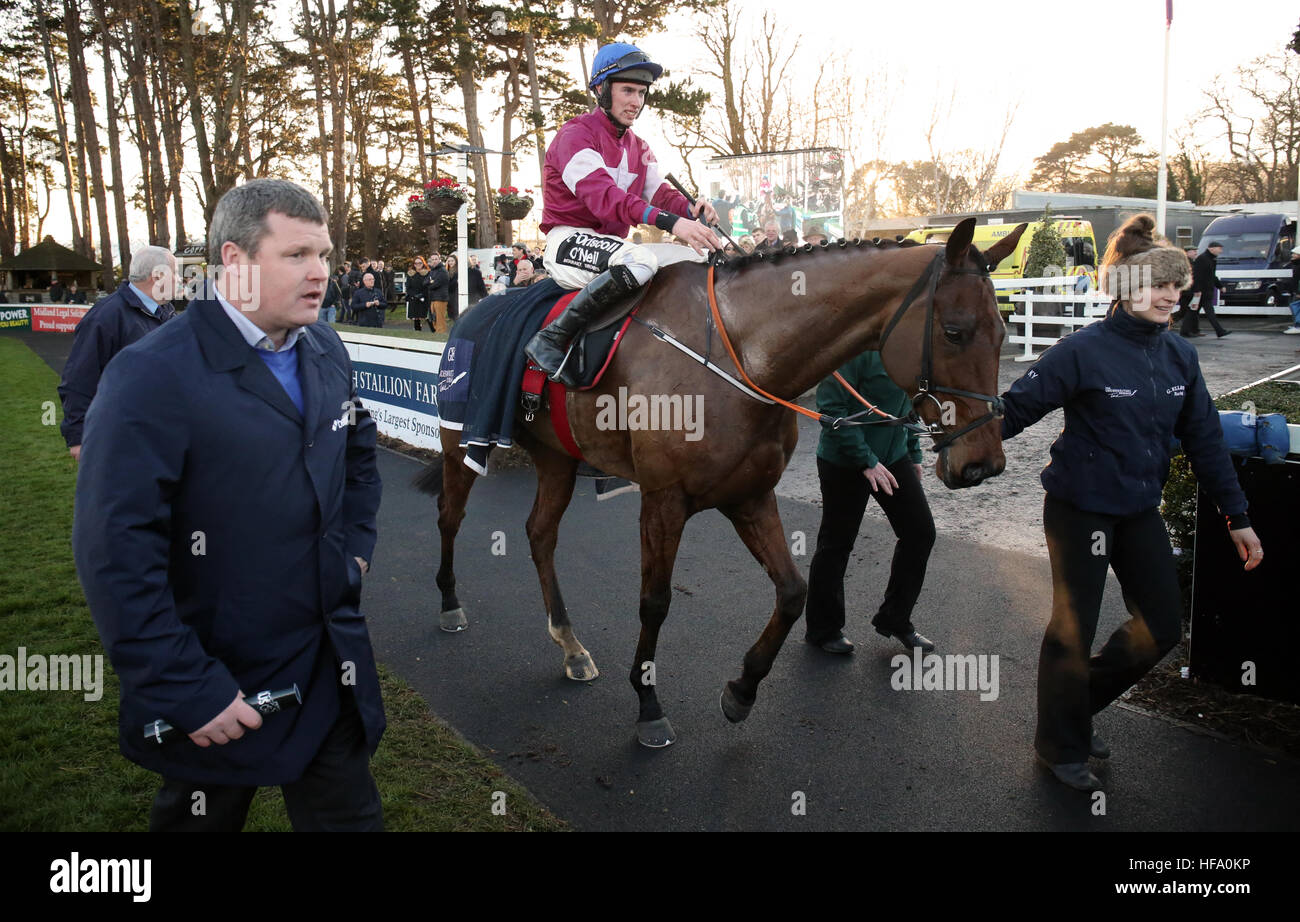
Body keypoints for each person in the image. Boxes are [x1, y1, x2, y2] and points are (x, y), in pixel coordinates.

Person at [72, 178, 385, 831]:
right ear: (236, 262)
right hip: (219, 682)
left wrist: (354, 553)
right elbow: (115, 551)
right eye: (297, 255)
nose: (321, 272)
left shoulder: (326, 349)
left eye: (324, 254)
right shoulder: (151, 374)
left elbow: (358, 459)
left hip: (330, 667)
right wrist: (183, 684)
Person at [1000, 214, 1263, 792]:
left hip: (1139, 508)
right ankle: (1058, 746)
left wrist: (1236, 517)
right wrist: (950, 431)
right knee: (1073, 627)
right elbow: (1013, 411)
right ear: (1122, 287)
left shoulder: (1179, 357)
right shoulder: (1081, 351)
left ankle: (1070, 712)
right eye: (1155, 283)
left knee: (1162, 627)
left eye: (1175, 284)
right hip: (1080, 509)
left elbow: (1206, 441)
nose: (1170, 294)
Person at [522, 41, 720, 386]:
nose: (636, 102)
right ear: (601, 89)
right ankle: (550, 338)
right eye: (628, 90)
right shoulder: (575, 135)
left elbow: (659, 193)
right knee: (640, 261)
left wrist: (690, 208)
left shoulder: (638, 146)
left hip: (613, 246)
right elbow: (606, 199)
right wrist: (675, 223)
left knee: (696, 257)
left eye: (642, 93)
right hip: (567, 241)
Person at [804, 351, 936, 655]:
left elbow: (908, 407)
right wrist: (866, 461)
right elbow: (831, 410)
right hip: (844, 460)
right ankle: (823, 629)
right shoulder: (855, 350)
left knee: (920, 533)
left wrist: (913, 453)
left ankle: (895, 618)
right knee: (837, 543)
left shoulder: (910, 348)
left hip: (893, 455)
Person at [57, 244, 177, 462]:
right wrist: (78, 437)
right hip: (124, 436)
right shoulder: (106, 317)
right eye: (175, 273)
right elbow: (78, 378)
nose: (179, 280)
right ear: (158, 276)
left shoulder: (165, 312)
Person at [1182, 241, 1227, 338]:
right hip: (1201, 292)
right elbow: (1196, 276)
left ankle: (1185, 331)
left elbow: (1212, 275)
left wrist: (1220, 286)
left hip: (1205, 292)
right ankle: (1219, 331)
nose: (1221, 250)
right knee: (1206, 312)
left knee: (1192, 311)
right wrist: (1197, 290)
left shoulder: (1212, 259)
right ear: (1211, 248)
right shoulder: (1202, 259)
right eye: (1219, 248)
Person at [1172, 247, 1198, 323]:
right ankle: (1165, 322)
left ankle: (1191, 330)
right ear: (1187, 253)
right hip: (1186, 291)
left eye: (1195, 251)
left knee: (1188, 311)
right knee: (1184, 311)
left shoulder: (1191, 262)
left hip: (1188, 290)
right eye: (1193, 251)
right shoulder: (1185, 263)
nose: (1195, 253)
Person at [426, 252, 450, 333]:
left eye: (436, 259)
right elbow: (425, 282)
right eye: (432, 259)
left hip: (441, 298)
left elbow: (435, 285)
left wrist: (430, 283)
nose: (434, 261)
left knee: (440, 319)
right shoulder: (432, 271)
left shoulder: (443, 271)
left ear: (440, 260)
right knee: (434, 319)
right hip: (433, 298)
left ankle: (441, 335)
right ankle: (438, 334)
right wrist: (430, 282)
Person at [405, 255, 431, 331]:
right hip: (413, 297)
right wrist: (415, 295)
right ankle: (417, 332)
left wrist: (422, 295)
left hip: (424, 297)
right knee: (416, 317)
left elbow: (428, 286)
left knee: (426, 316)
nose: (418, 265)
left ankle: (434, 332)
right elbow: (408, 287)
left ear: (423, 263)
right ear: (414, 264)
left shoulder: (427, 273)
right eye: (416, 263)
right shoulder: (410, 273)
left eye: (420, 263)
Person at [1284, 247, 1300, 335]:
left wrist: (1298, 292)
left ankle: (1298, 326)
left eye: (1295, 254)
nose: (1292, 255)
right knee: (1295, 307)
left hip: (1298, 292)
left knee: (1297, 308)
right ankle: (1296, 325)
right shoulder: (1296, 264)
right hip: (1295, 290)